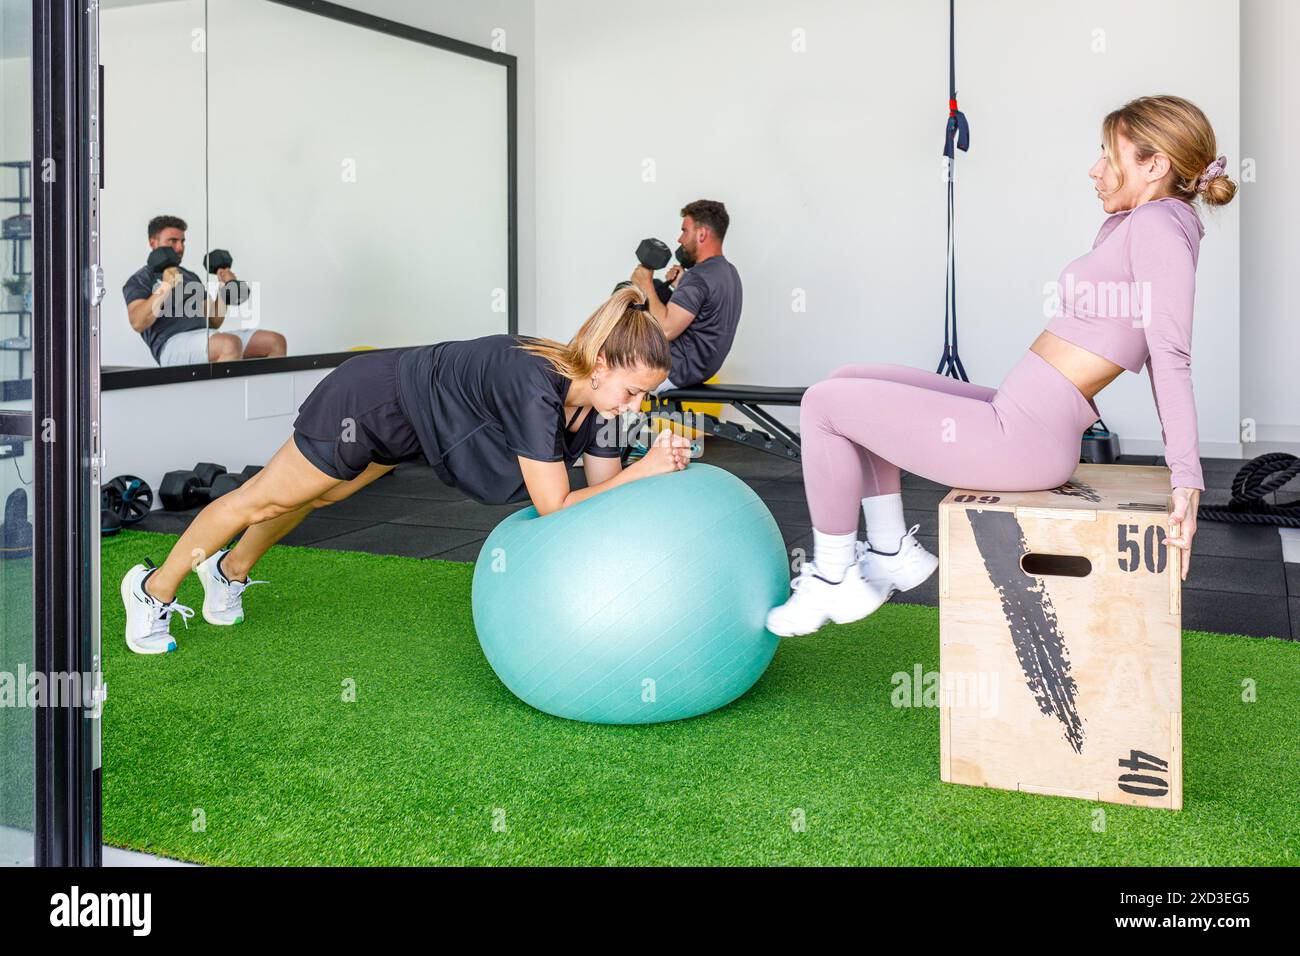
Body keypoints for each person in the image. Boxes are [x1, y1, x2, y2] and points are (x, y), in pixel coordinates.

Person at [767, 94, 1235, 637]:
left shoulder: (1158, 225)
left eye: (1110, 156)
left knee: (822, 406)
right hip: (1013, 413)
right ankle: (892, 552)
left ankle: (832, 574)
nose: (1095, 169)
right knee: (846, 381)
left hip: (1020, 438)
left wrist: (1186, 481)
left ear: (1155, 166)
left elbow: (1170, 355)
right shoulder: (1147, 221)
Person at [119, 285, 690, 653]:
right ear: (602, 362)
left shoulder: (594, 401)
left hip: (419, 427)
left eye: (646, 396)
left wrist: (651, 473)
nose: (636, 406)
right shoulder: (534, 383)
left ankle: (228, 571)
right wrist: (645, 471)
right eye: (634, 391)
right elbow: (555, 507)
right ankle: (151, 589)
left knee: (322, 499)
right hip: (372, 400)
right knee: (263, 498)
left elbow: (603, 491)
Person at [122, 215, 288, 366]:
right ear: (153, 243)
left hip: (205, 336)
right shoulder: (140, 279)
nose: (179, 247)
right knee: (229, 344)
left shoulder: (190, 276)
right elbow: (137, 322)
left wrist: (224, 287)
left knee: (275, 342)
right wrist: (165, 287)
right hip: (171, 345)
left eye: (182, 241)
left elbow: (214, 321)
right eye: (172, 241)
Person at [630, 199, 742, 392]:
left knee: (592, 374)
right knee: (660, 289)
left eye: (684, 231)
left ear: (701, 234)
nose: (680, 240)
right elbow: (707, 314)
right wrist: (681, 286)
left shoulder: (699, 276)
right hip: (699, 370)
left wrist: (645, 282)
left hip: (673, 371)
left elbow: (665, 330)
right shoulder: (729, 272)